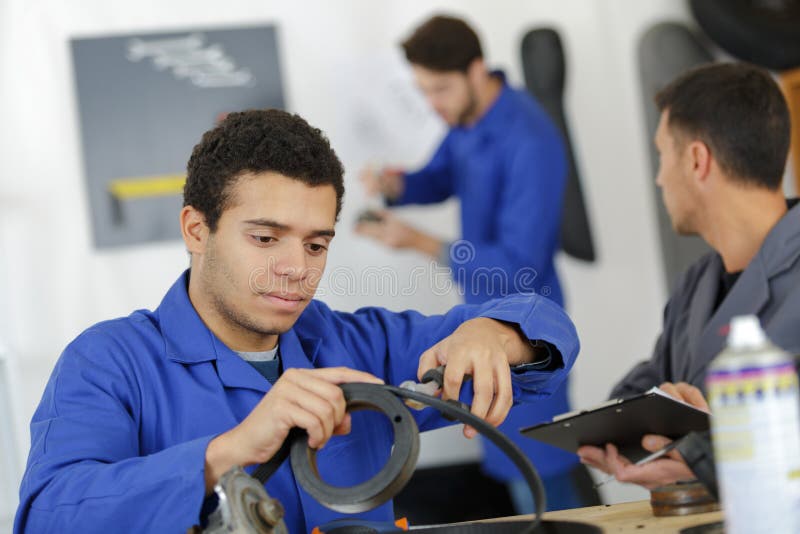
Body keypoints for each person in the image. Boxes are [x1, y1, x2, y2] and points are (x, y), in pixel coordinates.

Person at [14, 109, 580, 533]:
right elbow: (47, 516)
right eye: (265, 238)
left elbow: (544, 328)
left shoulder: (361, 347)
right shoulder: (110, 362)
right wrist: (227, 452)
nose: (295, 269)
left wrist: (495, 333)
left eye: (315, 245)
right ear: (196, 230)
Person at [356, 15, 595, 514]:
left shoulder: (530, 140)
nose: (433, 104)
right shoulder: (465, 122)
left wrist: (419, 242)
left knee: (544, 480)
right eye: (424, 91)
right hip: (480, 321)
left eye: (440, 88)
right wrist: (397, 186)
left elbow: (516, 267)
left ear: (477, 69)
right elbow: (440, 175)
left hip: (527, 331)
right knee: (514, 474)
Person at [578, 62, 798, 489]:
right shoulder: (696, 284)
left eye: (663, 155)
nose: (660, 177)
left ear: (697, 160)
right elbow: (645, 387)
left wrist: (718, 461)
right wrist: (615, 431)